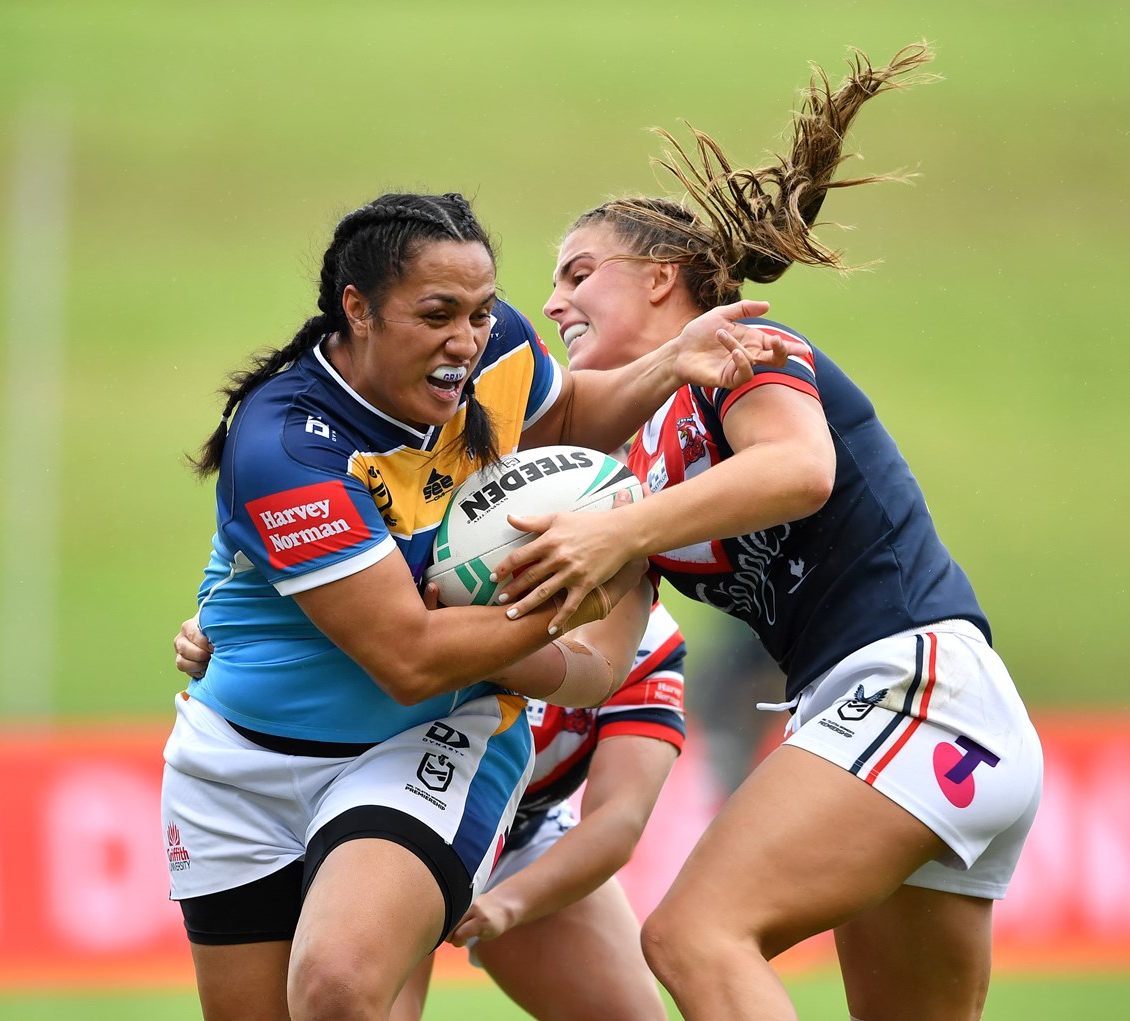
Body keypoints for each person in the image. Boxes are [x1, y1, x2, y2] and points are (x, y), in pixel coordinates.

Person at [490, 44, 1044, 1021]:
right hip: (917, 722)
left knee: (691, 935)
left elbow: (799, 468)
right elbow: (591, 667)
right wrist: (468, 644)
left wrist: (617, 536)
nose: (552, 301)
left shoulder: (749, 345)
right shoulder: (618, 473)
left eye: (579, 272)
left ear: (663, 279)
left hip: (915, 687)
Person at [161, 190, 785, 1021]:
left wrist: (669, 362)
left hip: (424, 737)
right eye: (437, 314)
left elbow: (563, 419)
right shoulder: (287, 446)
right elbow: (406, 650)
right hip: (239, 767)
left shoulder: (498, 352)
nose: (466, 341)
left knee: (338, 987)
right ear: (358, 310)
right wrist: (573, 586)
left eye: (482, 312)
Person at [173, 594, 687, 1021]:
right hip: (387, 806)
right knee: (346, 996)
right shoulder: (459, 553)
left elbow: (618, 818)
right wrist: (224, 626)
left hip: (521, 837)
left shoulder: (649, 640)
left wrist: (507, 904)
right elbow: (321, 569)